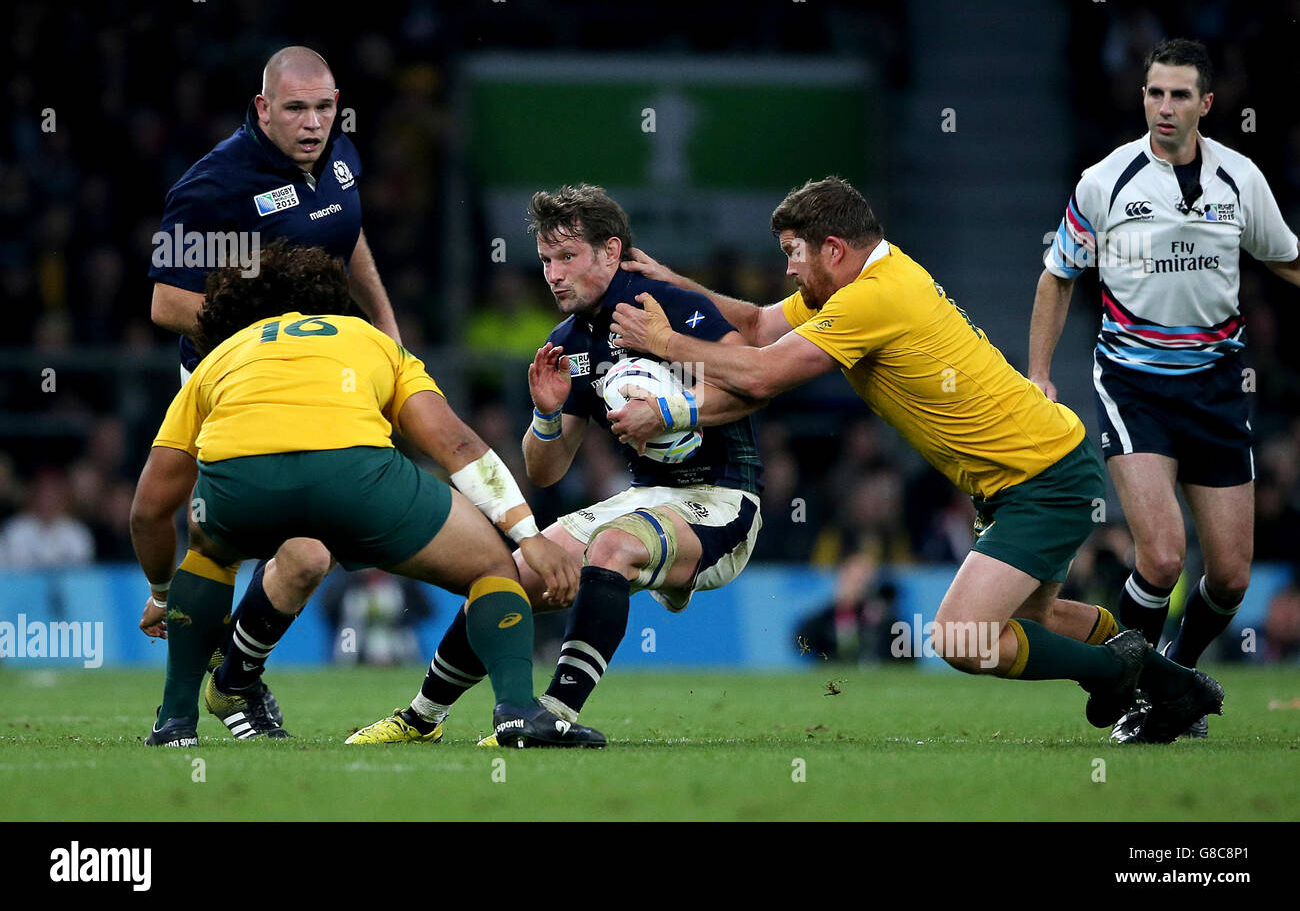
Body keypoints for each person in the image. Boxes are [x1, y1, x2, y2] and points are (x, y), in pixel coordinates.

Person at [611, 175, 1222, 743]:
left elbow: (766, 373)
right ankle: (1174, 689)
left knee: (963, 636)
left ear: (833, 249)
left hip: (1043, 477)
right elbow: (756, 324)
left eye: (793, 254)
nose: (789, 269)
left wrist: (664, 343)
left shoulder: (872, 298)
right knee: (1034, 621)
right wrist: (669, 282)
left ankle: (1115, 672)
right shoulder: (863, 283)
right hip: (1026, 474)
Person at [131, 239, 605, 749]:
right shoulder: (366, 337)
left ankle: (176, 721)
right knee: (491, 567)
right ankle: (515, 711)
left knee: (209, 553)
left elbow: (148, 510)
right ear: (332, 298)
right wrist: (525, 535)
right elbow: (454, 443)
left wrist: (161, 593)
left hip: (240, 485)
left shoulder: (219, 357)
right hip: (357, 480)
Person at [347, 184, 764, 745]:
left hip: (721, 497)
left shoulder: (673, 307)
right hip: (645, 497)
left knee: (613, 548)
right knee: (512, 574)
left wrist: (668, 410)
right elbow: (544, 471)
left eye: (567, 257)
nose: (553, 273)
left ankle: (553, 714)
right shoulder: (568, 342)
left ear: (610, 252)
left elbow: (756, 383)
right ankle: (421, 717)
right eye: (546, 260)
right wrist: (545, 416)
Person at [1029, 38, 1300, 741]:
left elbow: (1287, 260)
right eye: (1155, 93)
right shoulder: (1106, 180)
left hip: (1216, 390)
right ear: (1142, 97)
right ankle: (1141, 687)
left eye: (1180, 95)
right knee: (1163, 556)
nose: (1165, 107)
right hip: (1132, 387)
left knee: (1233, 575)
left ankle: (1173, 676)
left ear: (1207, 105)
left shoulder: (1240, 180)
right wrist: (1038, 373)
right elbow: (1059, 274)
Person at [143, 46, 401, 747]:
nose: (313, 123)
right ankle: (176, 717)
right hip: (229, 386)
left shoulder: (338, 154)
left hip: (318, 386)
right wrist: (262, 344)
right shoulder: (218, 186)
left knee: (310, 554)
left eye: (324, 108)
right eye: (295, 109)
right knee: (220, 538)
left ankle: (233, 678)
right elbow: (168, 301)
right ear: (262, 109)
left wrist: (387, 325)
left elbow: (346, 237)